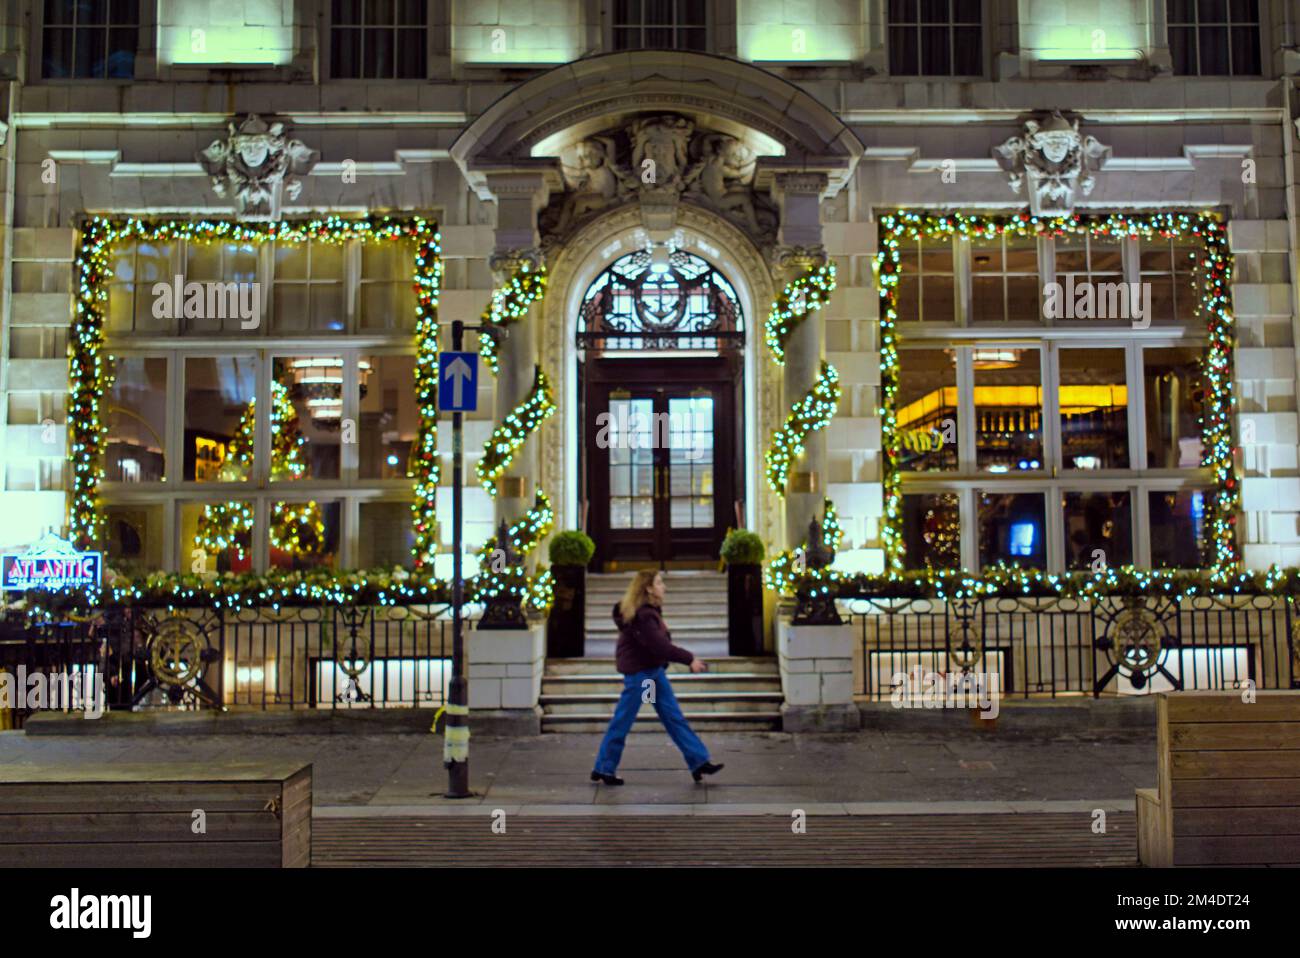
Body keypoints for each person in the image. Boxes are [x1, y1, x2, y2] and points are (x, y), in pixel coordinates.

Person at [591, 570, 724, 786]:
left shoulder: (648, 612)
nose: (665, 587)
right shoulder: (644, 616)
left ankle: (698, 760)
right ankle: (604, 767)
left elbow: (657, 645)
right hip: (641, 677)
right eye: (660, 583)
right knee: (623, 720)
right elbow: (659, 646)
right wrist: (689, 659)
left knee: (673, 717)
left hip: (652, 674)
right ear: (649, 588)